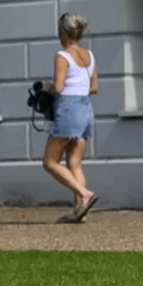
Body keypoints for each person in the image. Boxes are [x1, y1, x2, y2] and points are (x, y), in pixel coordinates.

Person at [43, 13, 99, 223]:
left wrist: (46, 87)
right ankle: (80, 211)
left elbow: (58, 87)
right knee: (74, 163)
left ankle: (84, 194)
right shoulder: (89, 55)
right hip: (86, 109)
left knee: (50, 161)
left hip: (68, 108)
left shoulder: (62, 56)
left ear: (63, 32)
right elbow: (94, 87)